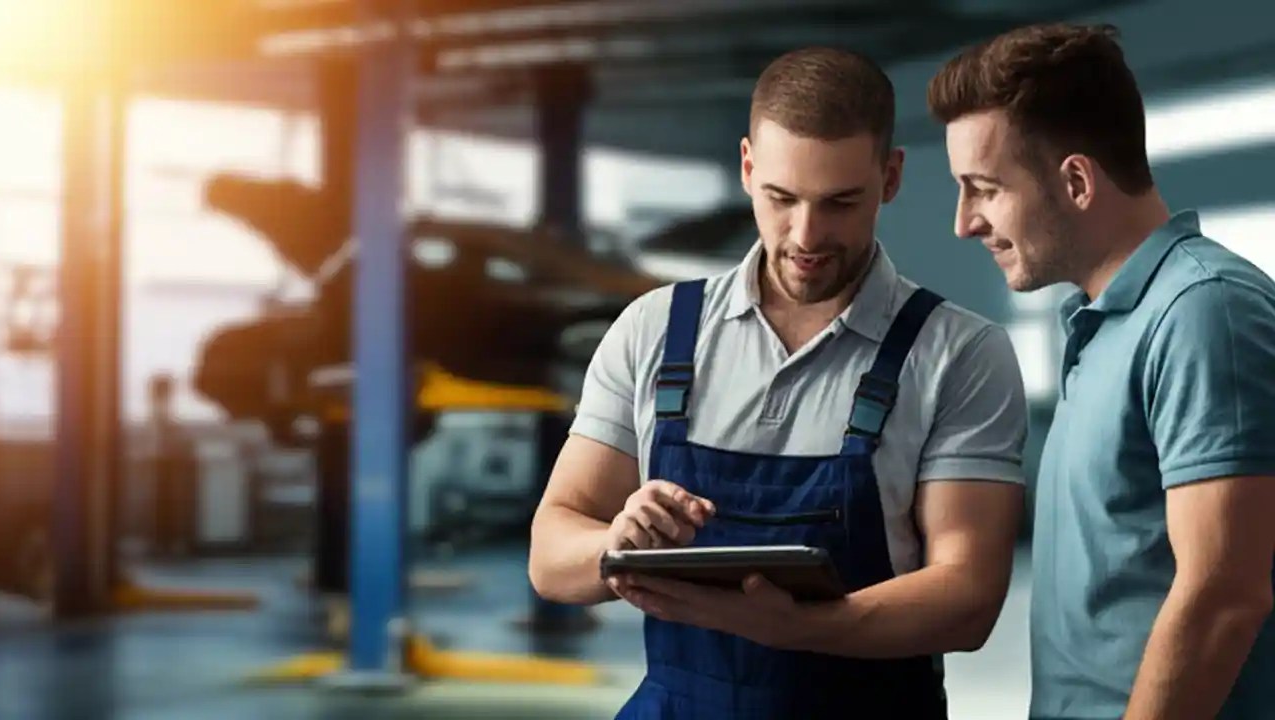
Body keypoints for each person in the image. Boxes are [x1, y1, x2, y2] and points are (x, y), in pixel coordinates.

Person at [529, 46, 1029, 719]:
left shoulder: (958, 354)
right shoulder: (652, 331)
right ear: (746, 168)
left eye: (839, 202)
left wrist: (796, 628)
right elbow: (550, 556)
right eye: (781, 198)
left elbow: (968, 599)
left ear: (890, 176)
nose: (806, 234)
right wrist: (617, 545)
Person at [928, 22, 1275, 720]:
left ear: (1078, 180)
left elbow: (1224, 596)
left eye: (984, 189)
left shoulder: (1203, 313)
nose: (964, 222)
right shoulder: (1103, 325)